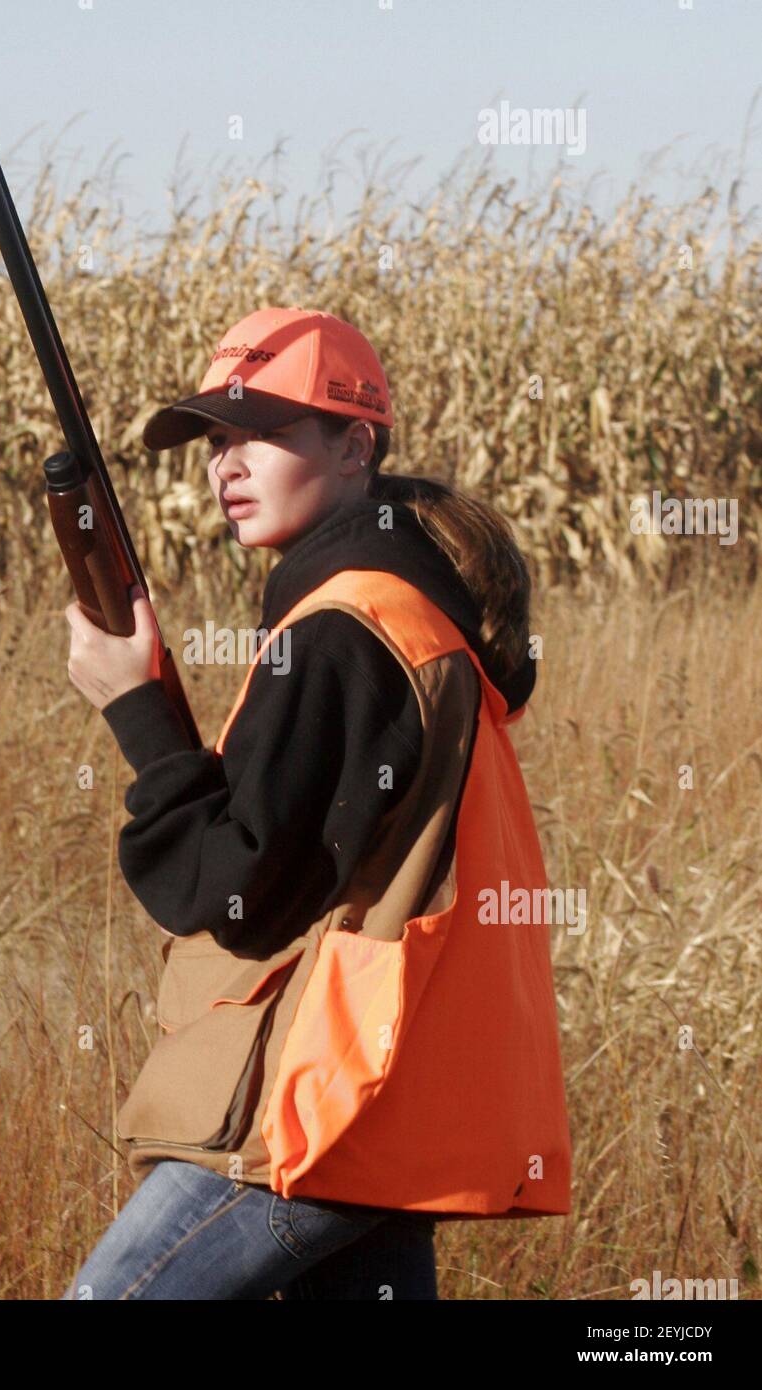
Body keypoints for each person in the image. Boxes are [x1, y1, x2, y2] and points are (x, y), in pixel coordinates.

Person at [61, 306, 572, 1300]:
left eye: (262, 431)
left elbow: (235, 889)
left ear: (354, 445)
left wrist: (136, 711)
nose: (225, 463)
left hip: (323, 1108)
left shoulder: (344, 629)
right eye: (214, 440)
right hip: (388, 1103)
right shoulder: (411, 616)